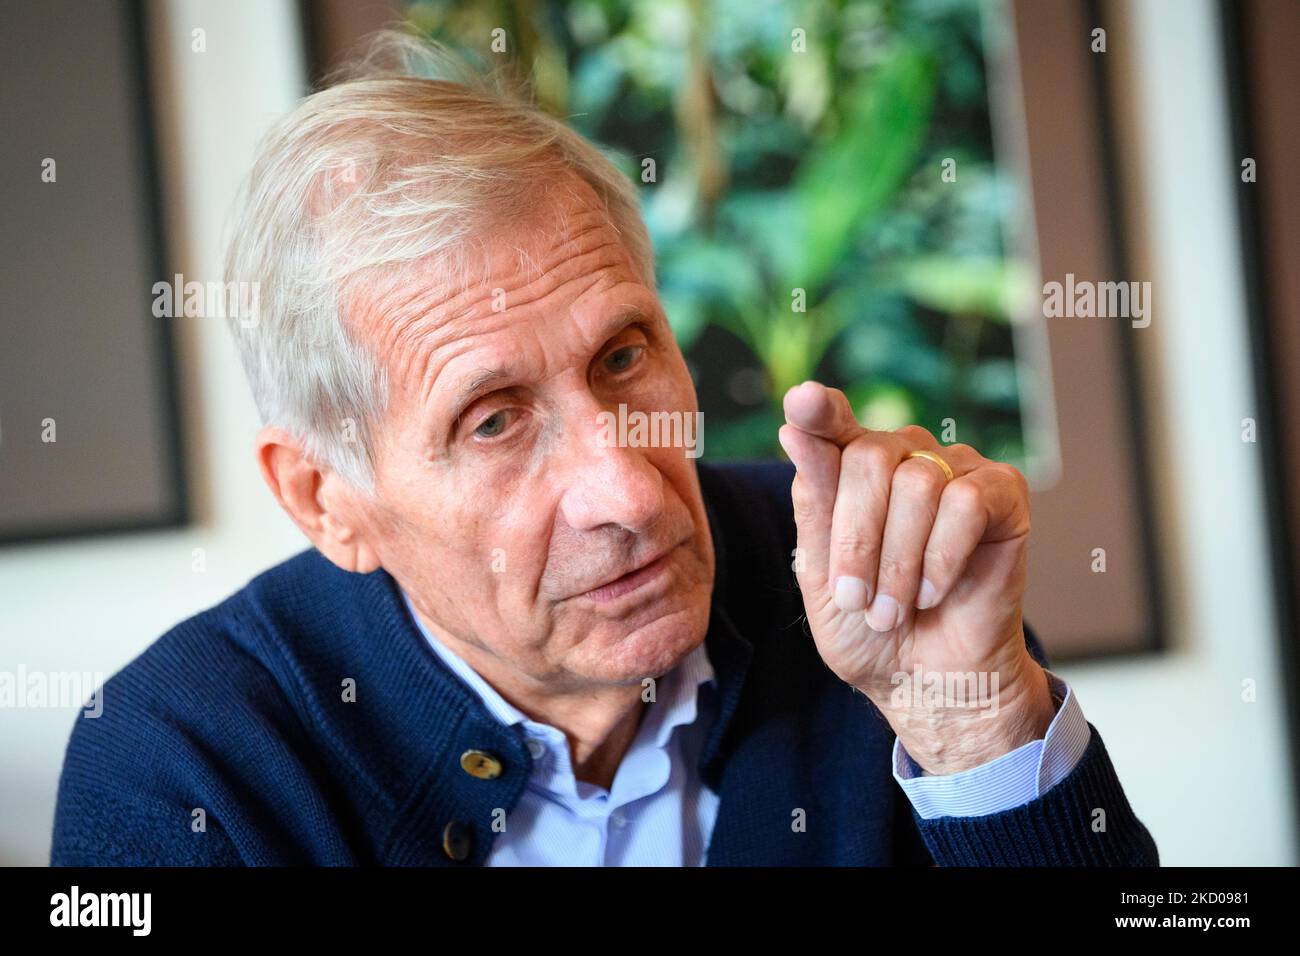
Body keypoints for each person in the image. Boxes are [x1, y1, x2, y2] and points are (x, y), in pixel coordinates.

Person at [51, 32, 1157, 866]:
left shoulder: (863, 583)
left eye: (623, 356)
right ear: (326, 497)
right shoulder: (177, 763)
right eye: (492, 419)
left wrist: (977, 724)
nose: (628, 484)